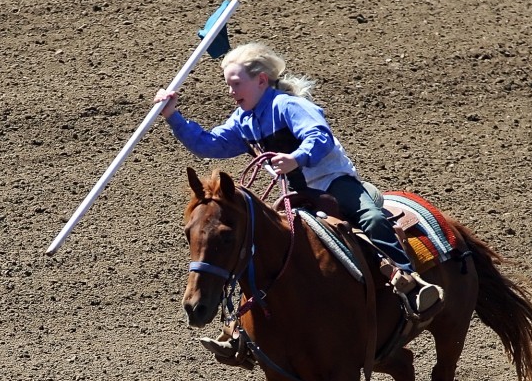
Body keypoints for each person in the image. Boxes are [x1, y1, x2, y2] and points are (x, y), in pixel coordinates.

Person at [155, 42, 444, 327]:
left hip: (332, 183)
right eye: (228, 86)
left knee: (372, 217)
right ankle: (245, 325)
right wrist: (173, 116)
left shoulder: (289, 106)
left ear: (261, 80)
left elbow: (319, 136)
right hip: (293, 195)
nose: (231, 92)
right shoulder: (243, 121)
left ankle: (410, 281)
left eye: (236, 84)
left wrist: (296, 158)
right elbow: (209, 144)